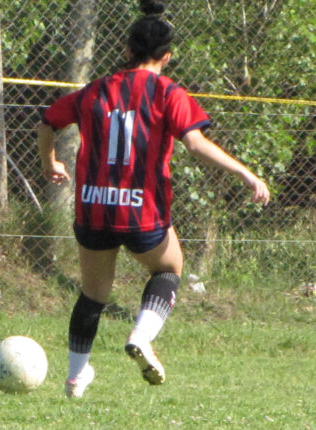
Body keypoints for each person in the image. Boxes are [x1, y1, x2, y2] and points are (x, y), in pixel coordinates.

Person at [38, 0, 270, 398]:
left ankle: (76, 378)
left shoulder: (93, 91)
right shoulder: (168, 93)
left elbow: (47, 121)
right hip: (141, 211)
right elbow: (195, 143)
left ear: (126, 51)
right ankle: (142, 336)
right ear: (167, 56)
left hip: (93, 207)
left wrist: (50, 163)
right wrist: (244, 173)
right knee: (168, 269)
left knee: (93, 295)